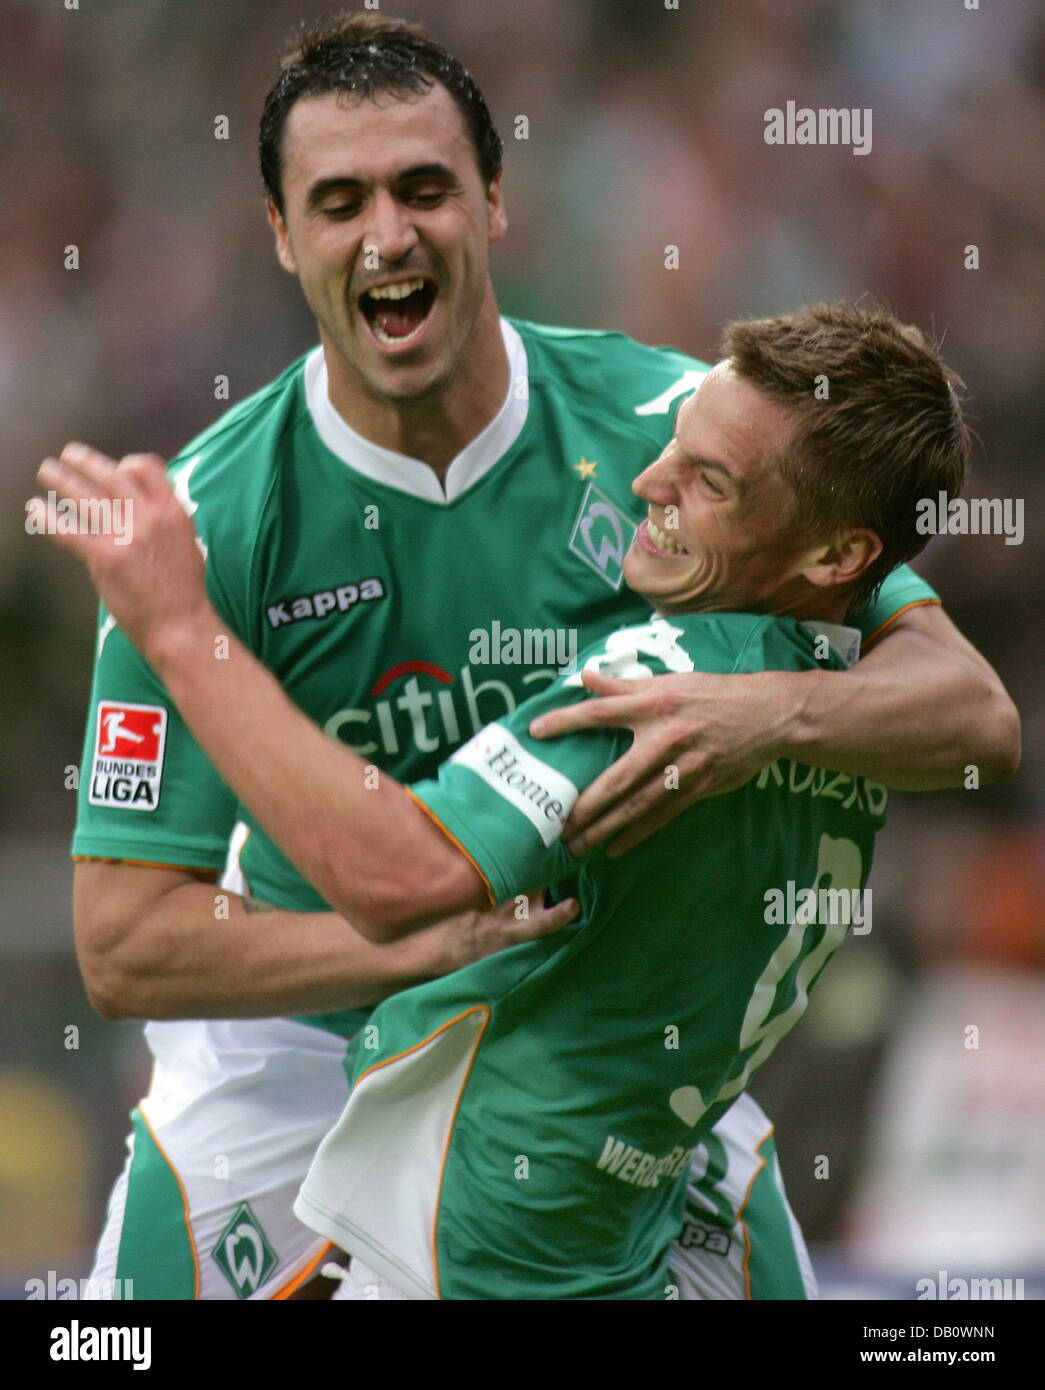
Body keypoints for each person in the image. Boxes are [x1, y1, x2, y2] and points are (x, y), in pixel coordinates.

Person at [45, 12, 1018, 1300]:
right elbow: (125, 947)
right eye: (338, 201)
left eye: (425, 187)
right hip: (294, 1051)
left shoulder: (675, 433)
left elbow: (970, 712)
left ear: (494, 202)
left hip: (590, 1018)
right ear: (281, 236)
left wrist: (758, 715)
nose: (388, 234)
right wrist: (416, 949)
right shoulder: (196, 530)